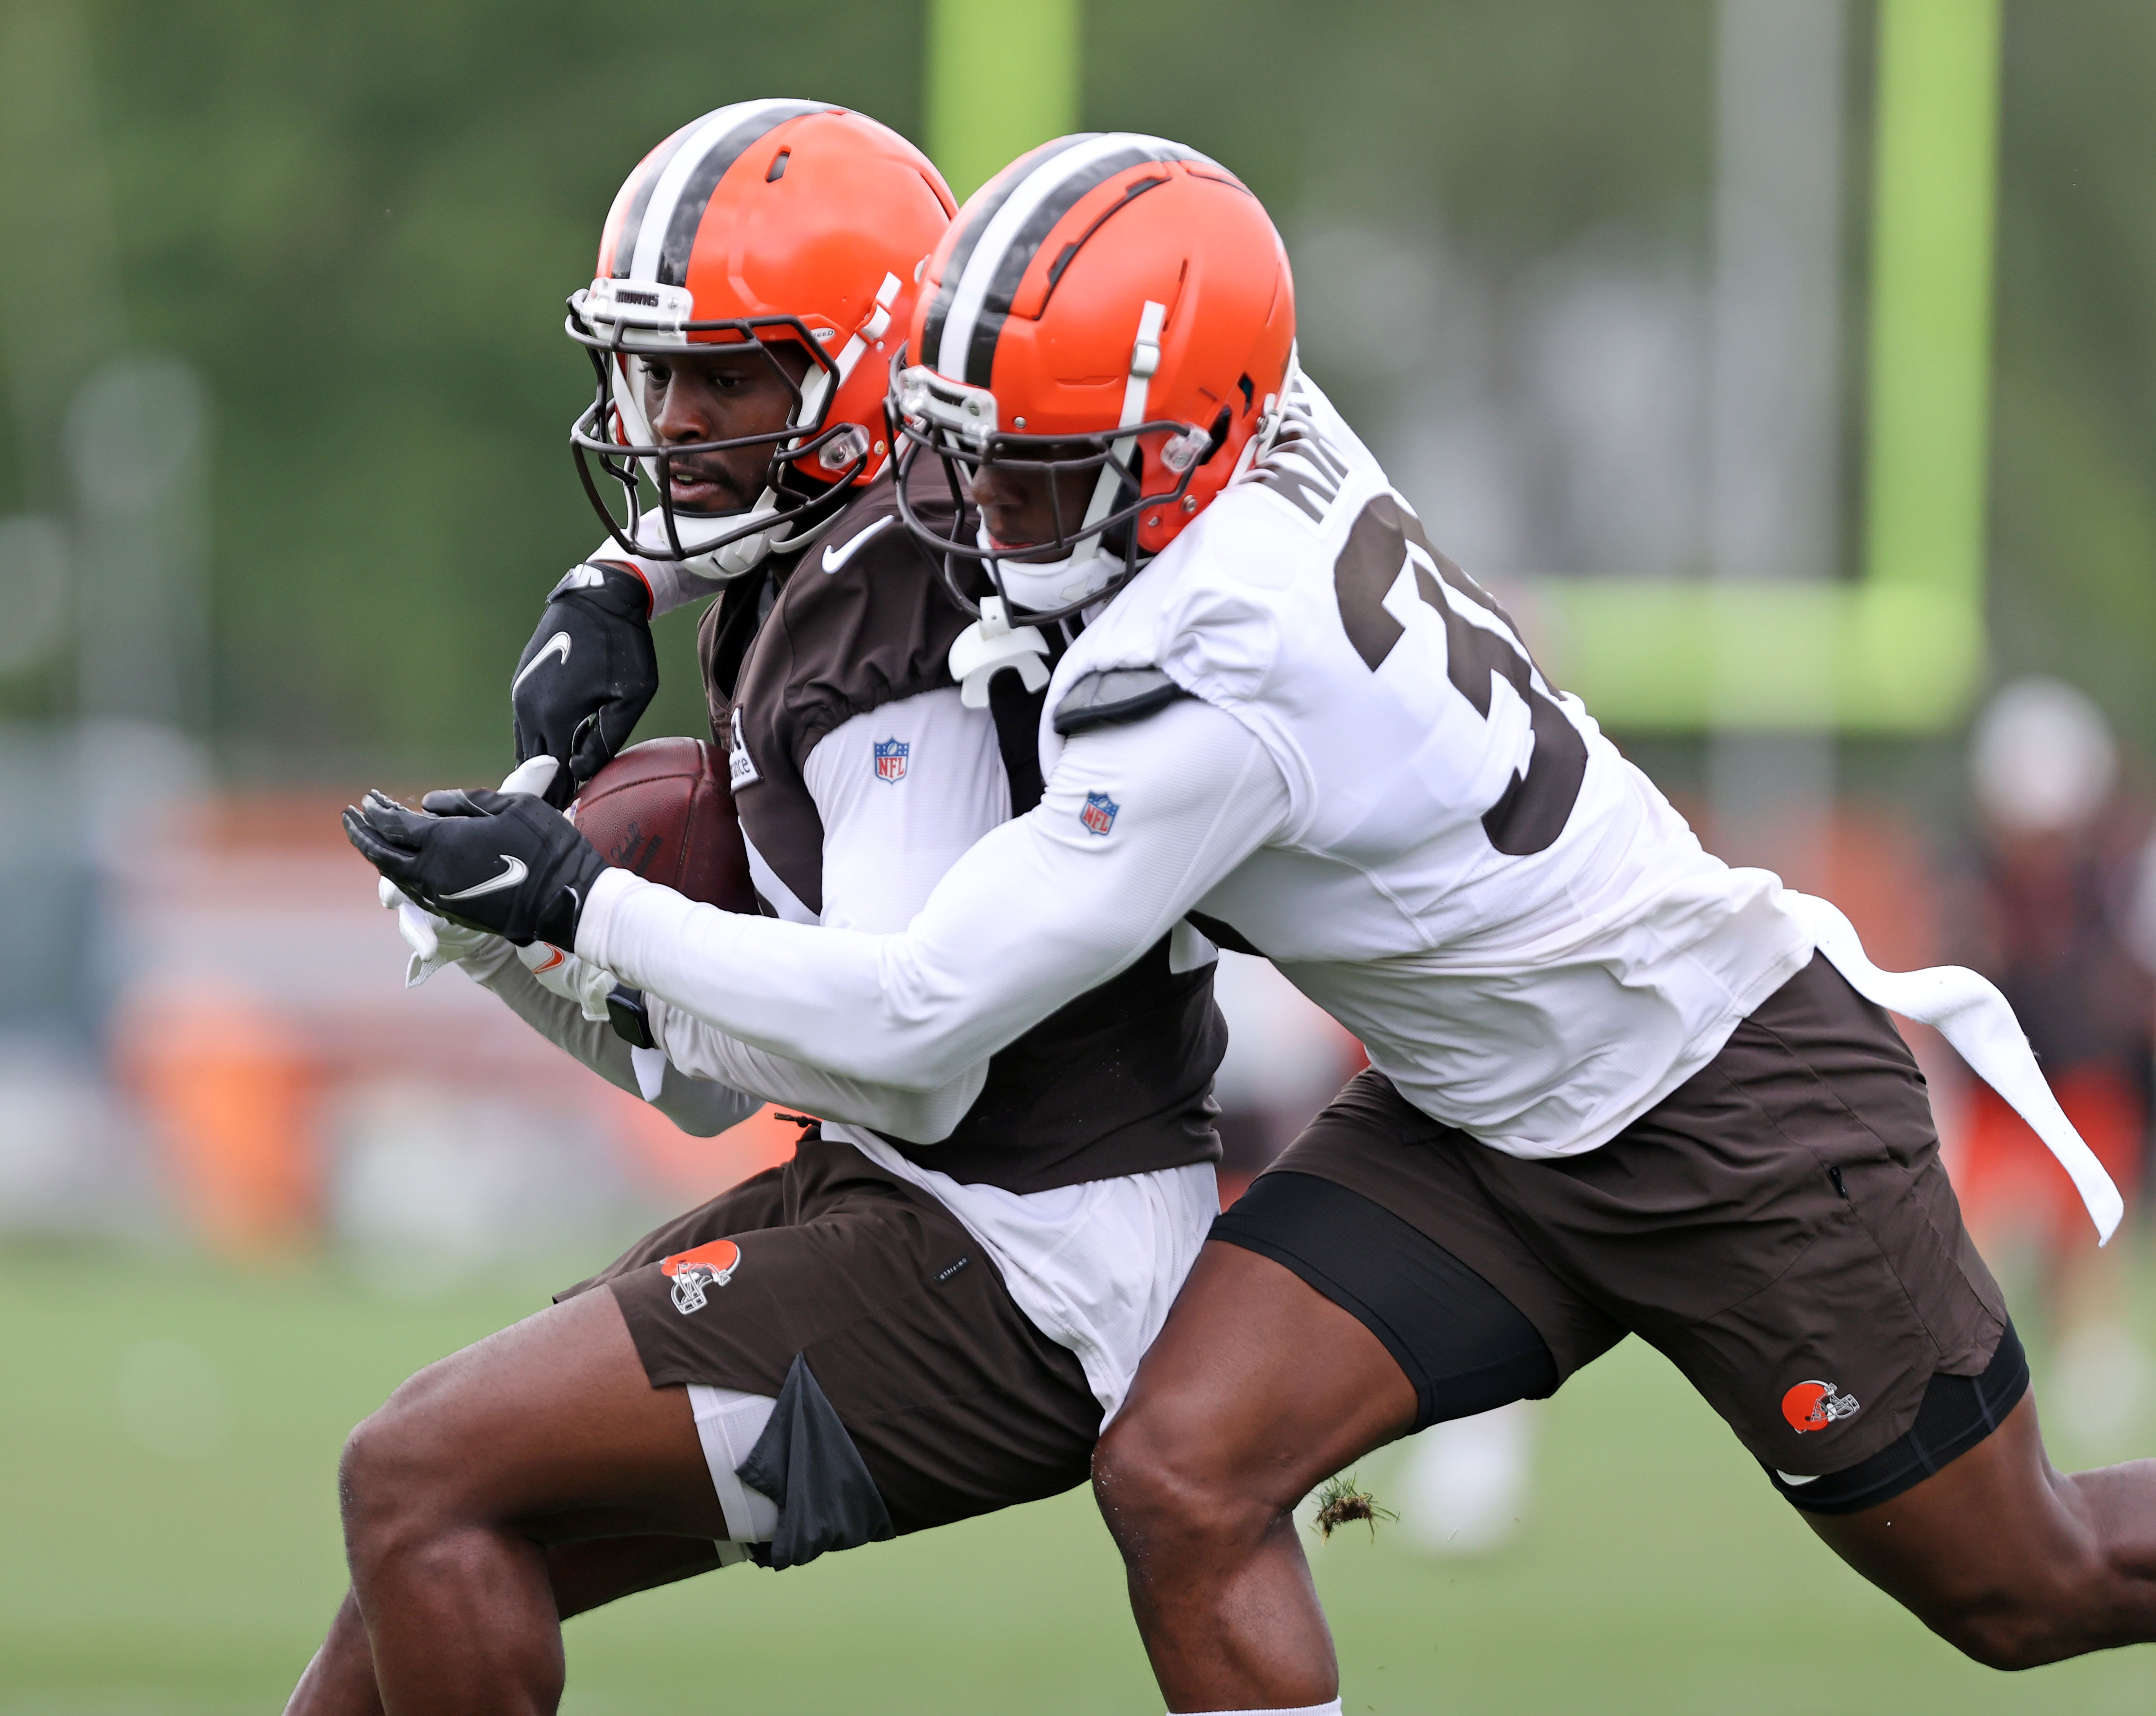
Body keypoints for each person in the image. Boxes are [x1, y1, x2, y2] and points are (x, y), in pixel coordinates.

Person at [346, 131, 2156, 1716]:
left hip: (1721, 1101)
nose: (980, 512)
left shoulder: (1204, 675)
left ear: (1176, 451)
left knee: (2029, 1587)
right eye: (979, 458)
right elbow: (909, 384)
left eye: (1035, 478)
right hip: (1478, 1115)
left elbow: (910, 1024)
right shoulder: (1228, 411)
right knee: (1187, 1474)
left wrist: (580, 910)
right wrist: (629, 574)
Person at [317, 107, 1230, 1716]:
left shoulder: (900, 612)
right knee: (414, 1562)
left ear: (867, 377)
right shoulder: (839, 564)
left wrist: (586, 908)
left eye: (728, 376)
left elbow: (906, 1056)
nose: (672, 423)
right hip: (923, 1199)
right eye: (655, 373)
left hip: (1022, 1255)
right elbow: (720, 1084)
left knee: (418, 1475)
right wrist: (503, 938)